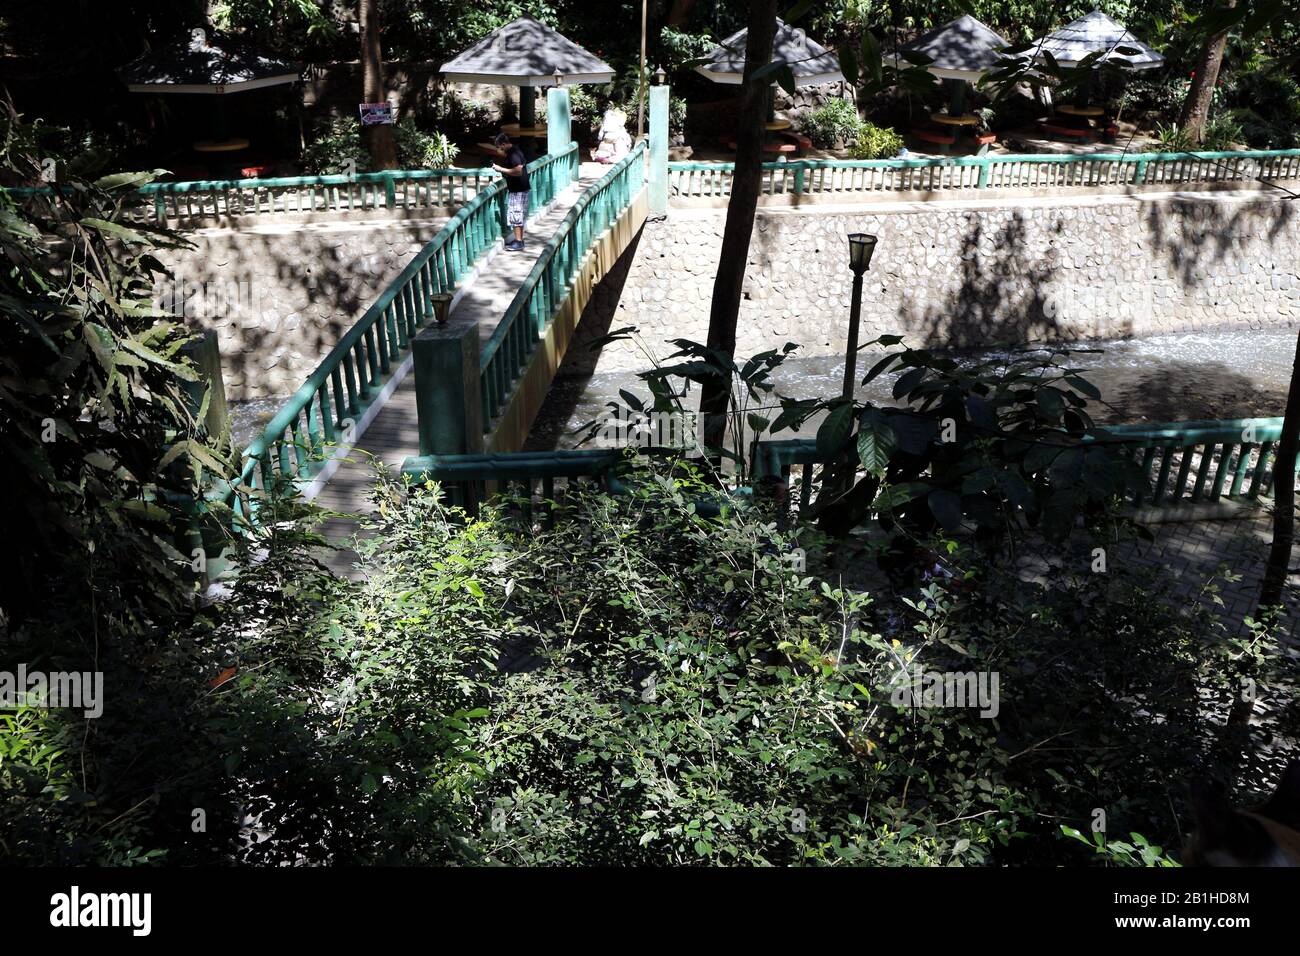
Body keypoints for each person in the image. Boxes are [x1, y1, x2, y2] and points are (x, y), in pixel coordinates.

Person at [492, 132, 530, 251]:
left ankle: (518, 242)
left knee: (516, 215)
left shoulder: (513, 154)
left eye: (499, 147)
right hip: (521, 188)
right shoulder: (515, 151)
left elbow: (518, 171)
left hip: (518, 189)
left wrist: (500, 169)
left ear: (503, 144)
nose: (499, 149)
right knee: (518, 215)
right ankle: (519, 240)